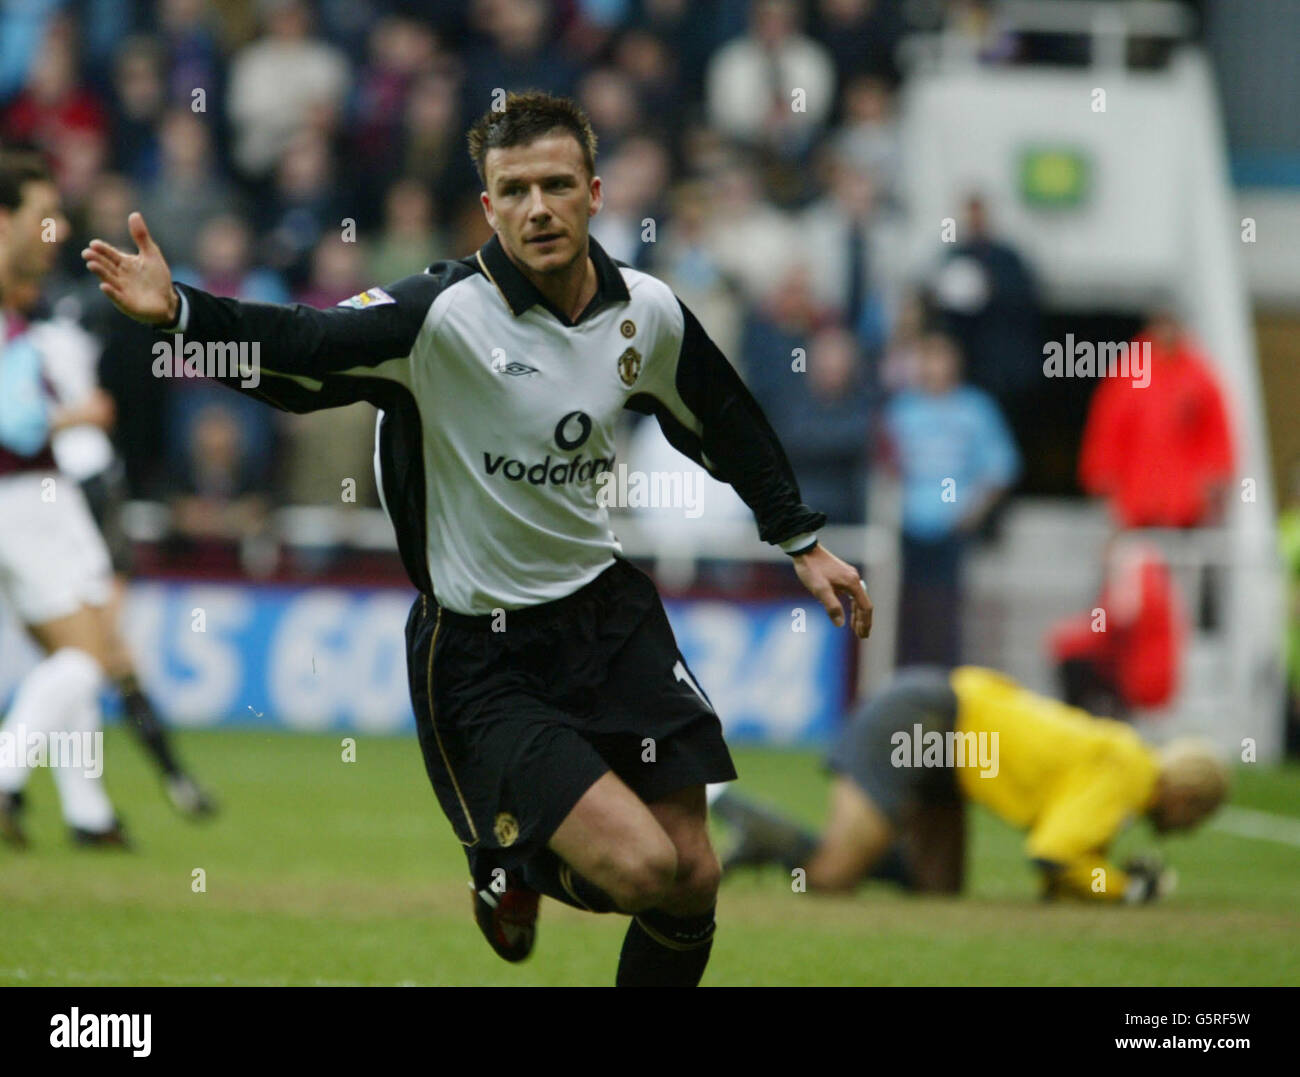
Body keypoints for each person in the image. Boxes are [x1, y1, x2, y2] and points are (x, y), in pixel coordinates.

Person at [82, 90, 873, 987]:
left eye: (557, 185)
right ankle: (508, 863)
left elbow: (724, 418)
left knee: (693, 874)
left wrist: (802, 539)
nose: (538, 207)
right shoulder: (441, 314)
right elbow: (309, 347)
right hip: (483, 654)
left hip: (607, 619)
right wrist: (184, 313)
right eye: (515, 189)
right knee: (643, 869)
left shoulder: (644, 311)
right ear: (488, 205)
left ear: (596, 193)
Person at [716, 666, 1228, 903]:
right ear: (1186, 797)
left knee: (936, 890)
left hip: (955, 745)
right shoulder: (1130, 778)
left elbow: (1061, 871)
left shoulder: (1127, 762)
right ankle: (757, 825)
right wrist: (1129, 890)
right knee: (830, 878)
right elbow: (1052, 854)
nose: (1185, 830)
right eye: (1195, 818)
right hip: (928, 720)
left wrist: (1099, 882)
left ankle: (830, 848)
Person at [0, 152, 123, 847]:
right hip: (20, 491)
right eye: (42, 216)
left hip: (29, 492)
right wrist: (76, 416)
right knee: (85, 654)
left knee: (68, 656)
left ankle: (89, 813)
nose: (57, 230)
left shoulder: (20, 302)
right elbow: (14, 424)